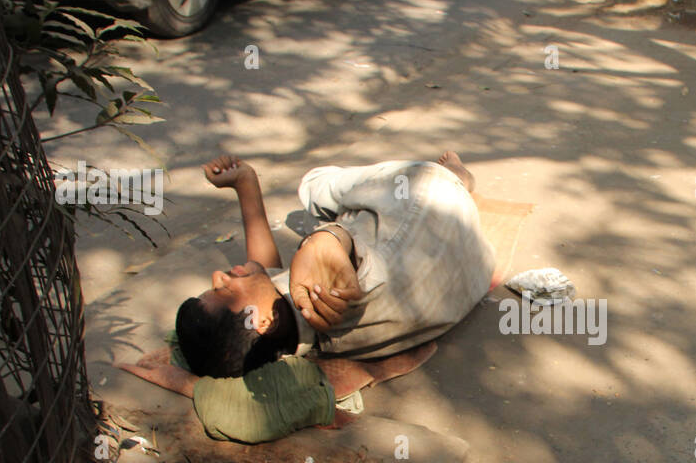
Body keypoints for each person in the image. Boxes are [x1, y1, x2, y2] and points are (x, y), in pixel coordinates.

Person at [173, 150, 496, 378]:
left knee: (336, 218)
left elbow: (266, 273)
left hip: (471, 266)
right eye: (223, 291)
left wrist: (245, 183)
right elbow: (354, 265)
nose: (219, 276)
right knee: (315, 185)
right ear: (259, 323)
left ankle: (456, 185)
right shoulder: (337, 298)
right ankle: (458, 177)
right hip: (429, 193)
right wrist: (323, 241)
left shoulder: (292, 331)